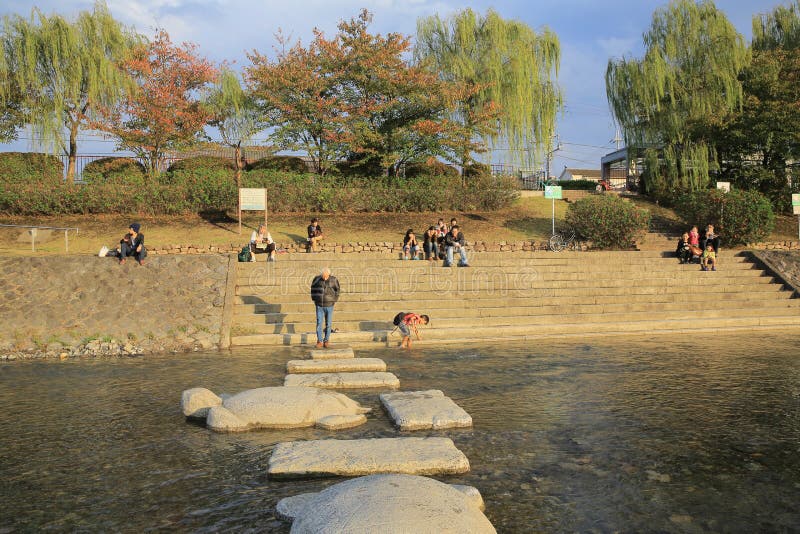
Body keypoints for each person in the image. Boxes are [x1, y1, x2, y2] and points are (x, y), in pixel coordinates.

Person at [311, 267, 340, 348]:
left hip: (329, 305)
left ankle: (326, 340)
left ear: (329, 274)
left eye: (325, 276)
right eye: (323, 276)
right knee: (319, 323)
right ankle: (319, 341)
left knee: (328, 324)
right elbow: (312, 289)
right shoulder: (317, 279)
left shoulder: (334, 280)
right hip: (319, 305)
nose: (324, 277)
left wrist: (334, 300)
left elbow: (337, 290)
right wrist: (315, 299)